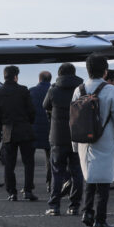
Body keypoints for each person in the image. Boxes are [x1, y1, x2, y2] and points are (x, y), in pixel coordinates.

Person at [75, 54, 114, 227]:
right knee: (103, 182)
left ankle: (87, 212)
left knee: (90, 178)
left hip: (83, 141)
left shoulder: (78, 90)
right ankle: (100, 219)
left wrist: (74, 143)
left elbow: (73, 118)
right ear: (105, 71)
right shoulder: (111, 91)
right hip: (104, 138)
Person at [43, 62, 85, 217]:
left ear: (59, 74)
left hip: (58, 137)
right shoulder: (82, 89)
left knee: (57, 172)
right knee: (77, 172)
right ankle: (74, 206)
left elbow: (45, 105)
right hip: (77, 135)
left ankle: (54, 206)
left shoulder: (53, 90)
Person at [0, 65, 38, 201]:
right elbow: (31, 111)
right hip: (24, 129)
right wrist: (28, 122)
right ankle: (28, 190)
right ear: (16, 76)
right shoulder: (23, 90)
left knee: (9, 164)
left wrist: (3, 124)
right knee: (28, 162)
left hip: (8, 131)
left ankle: (12, 192)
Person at [30, 70, 53, 192]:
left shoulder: (31, 91)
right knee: (50, 160)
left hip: (33, 130)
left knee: (29, 160)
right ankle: (49, 183)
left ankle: (28, 185)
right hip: (50, 129)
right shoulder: (54, 91)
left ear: (39, 79)